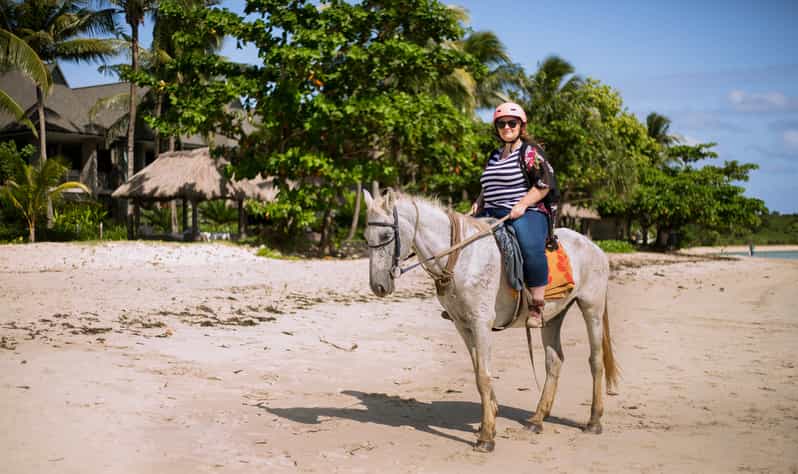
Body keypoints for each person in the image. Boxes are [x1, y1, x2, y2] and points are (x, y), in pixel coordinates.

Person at [471, 102, 555, 327]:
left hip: (525, 211)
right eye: (501, 124)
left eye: (512, 123)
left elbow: (544, 184)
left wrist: (522, 204)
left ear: (521, 126)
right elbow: (488, 185)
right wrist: (478, 202)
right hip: (490, 211)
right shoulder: (494, 155)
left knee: (530, 247)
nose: (506, 127)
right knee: (464, 242)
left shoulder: (530, 152)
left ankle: (536, 304)